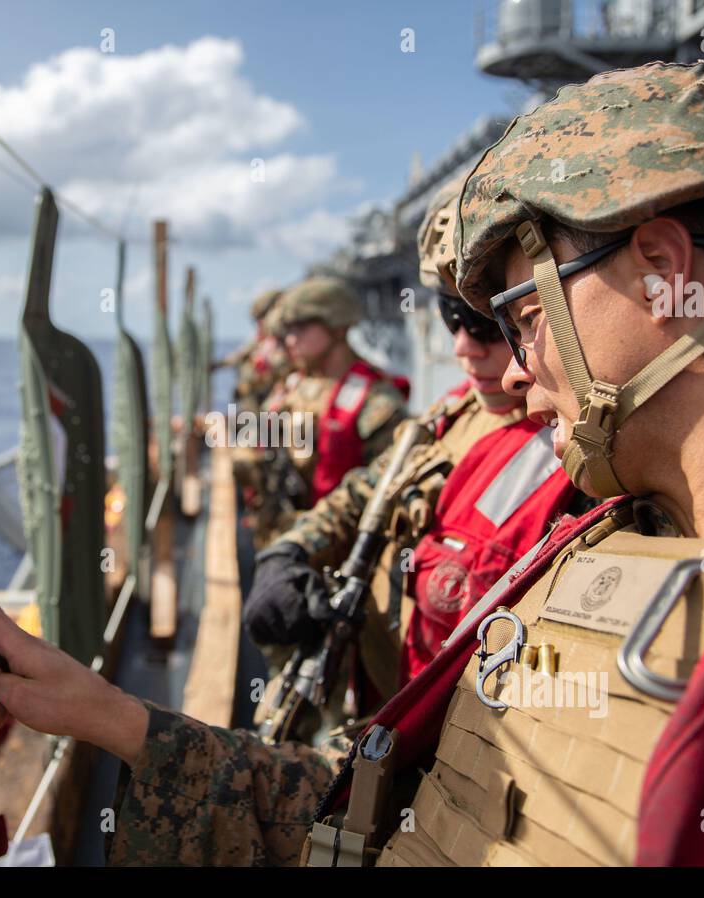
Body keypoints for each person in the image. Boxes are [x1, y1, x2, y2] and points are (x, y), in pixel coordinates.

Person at [0, 61, 704, 867]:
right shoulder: (587, 549)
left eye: (525, 317)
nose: (520, 370)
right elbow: (381, 817)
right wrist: (108, 714)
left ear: (664, 268)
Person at [244, 176, 581, 725]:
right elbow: (368, 487)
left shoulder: (577, 459)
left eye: (488, 324)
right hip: (378, 694)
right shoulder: (451, 413)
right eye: (452, 320)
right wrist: (291, 552)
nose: (461, 349)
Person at [234, 276, 409, 547]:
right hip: (277, 538)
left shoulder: (376, 402)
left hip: (329, 551)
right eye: (288, 330)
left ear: (337, 328)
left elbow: (387, 494)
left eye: (301, 328)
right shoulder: (295, 384)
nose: (290, 340)